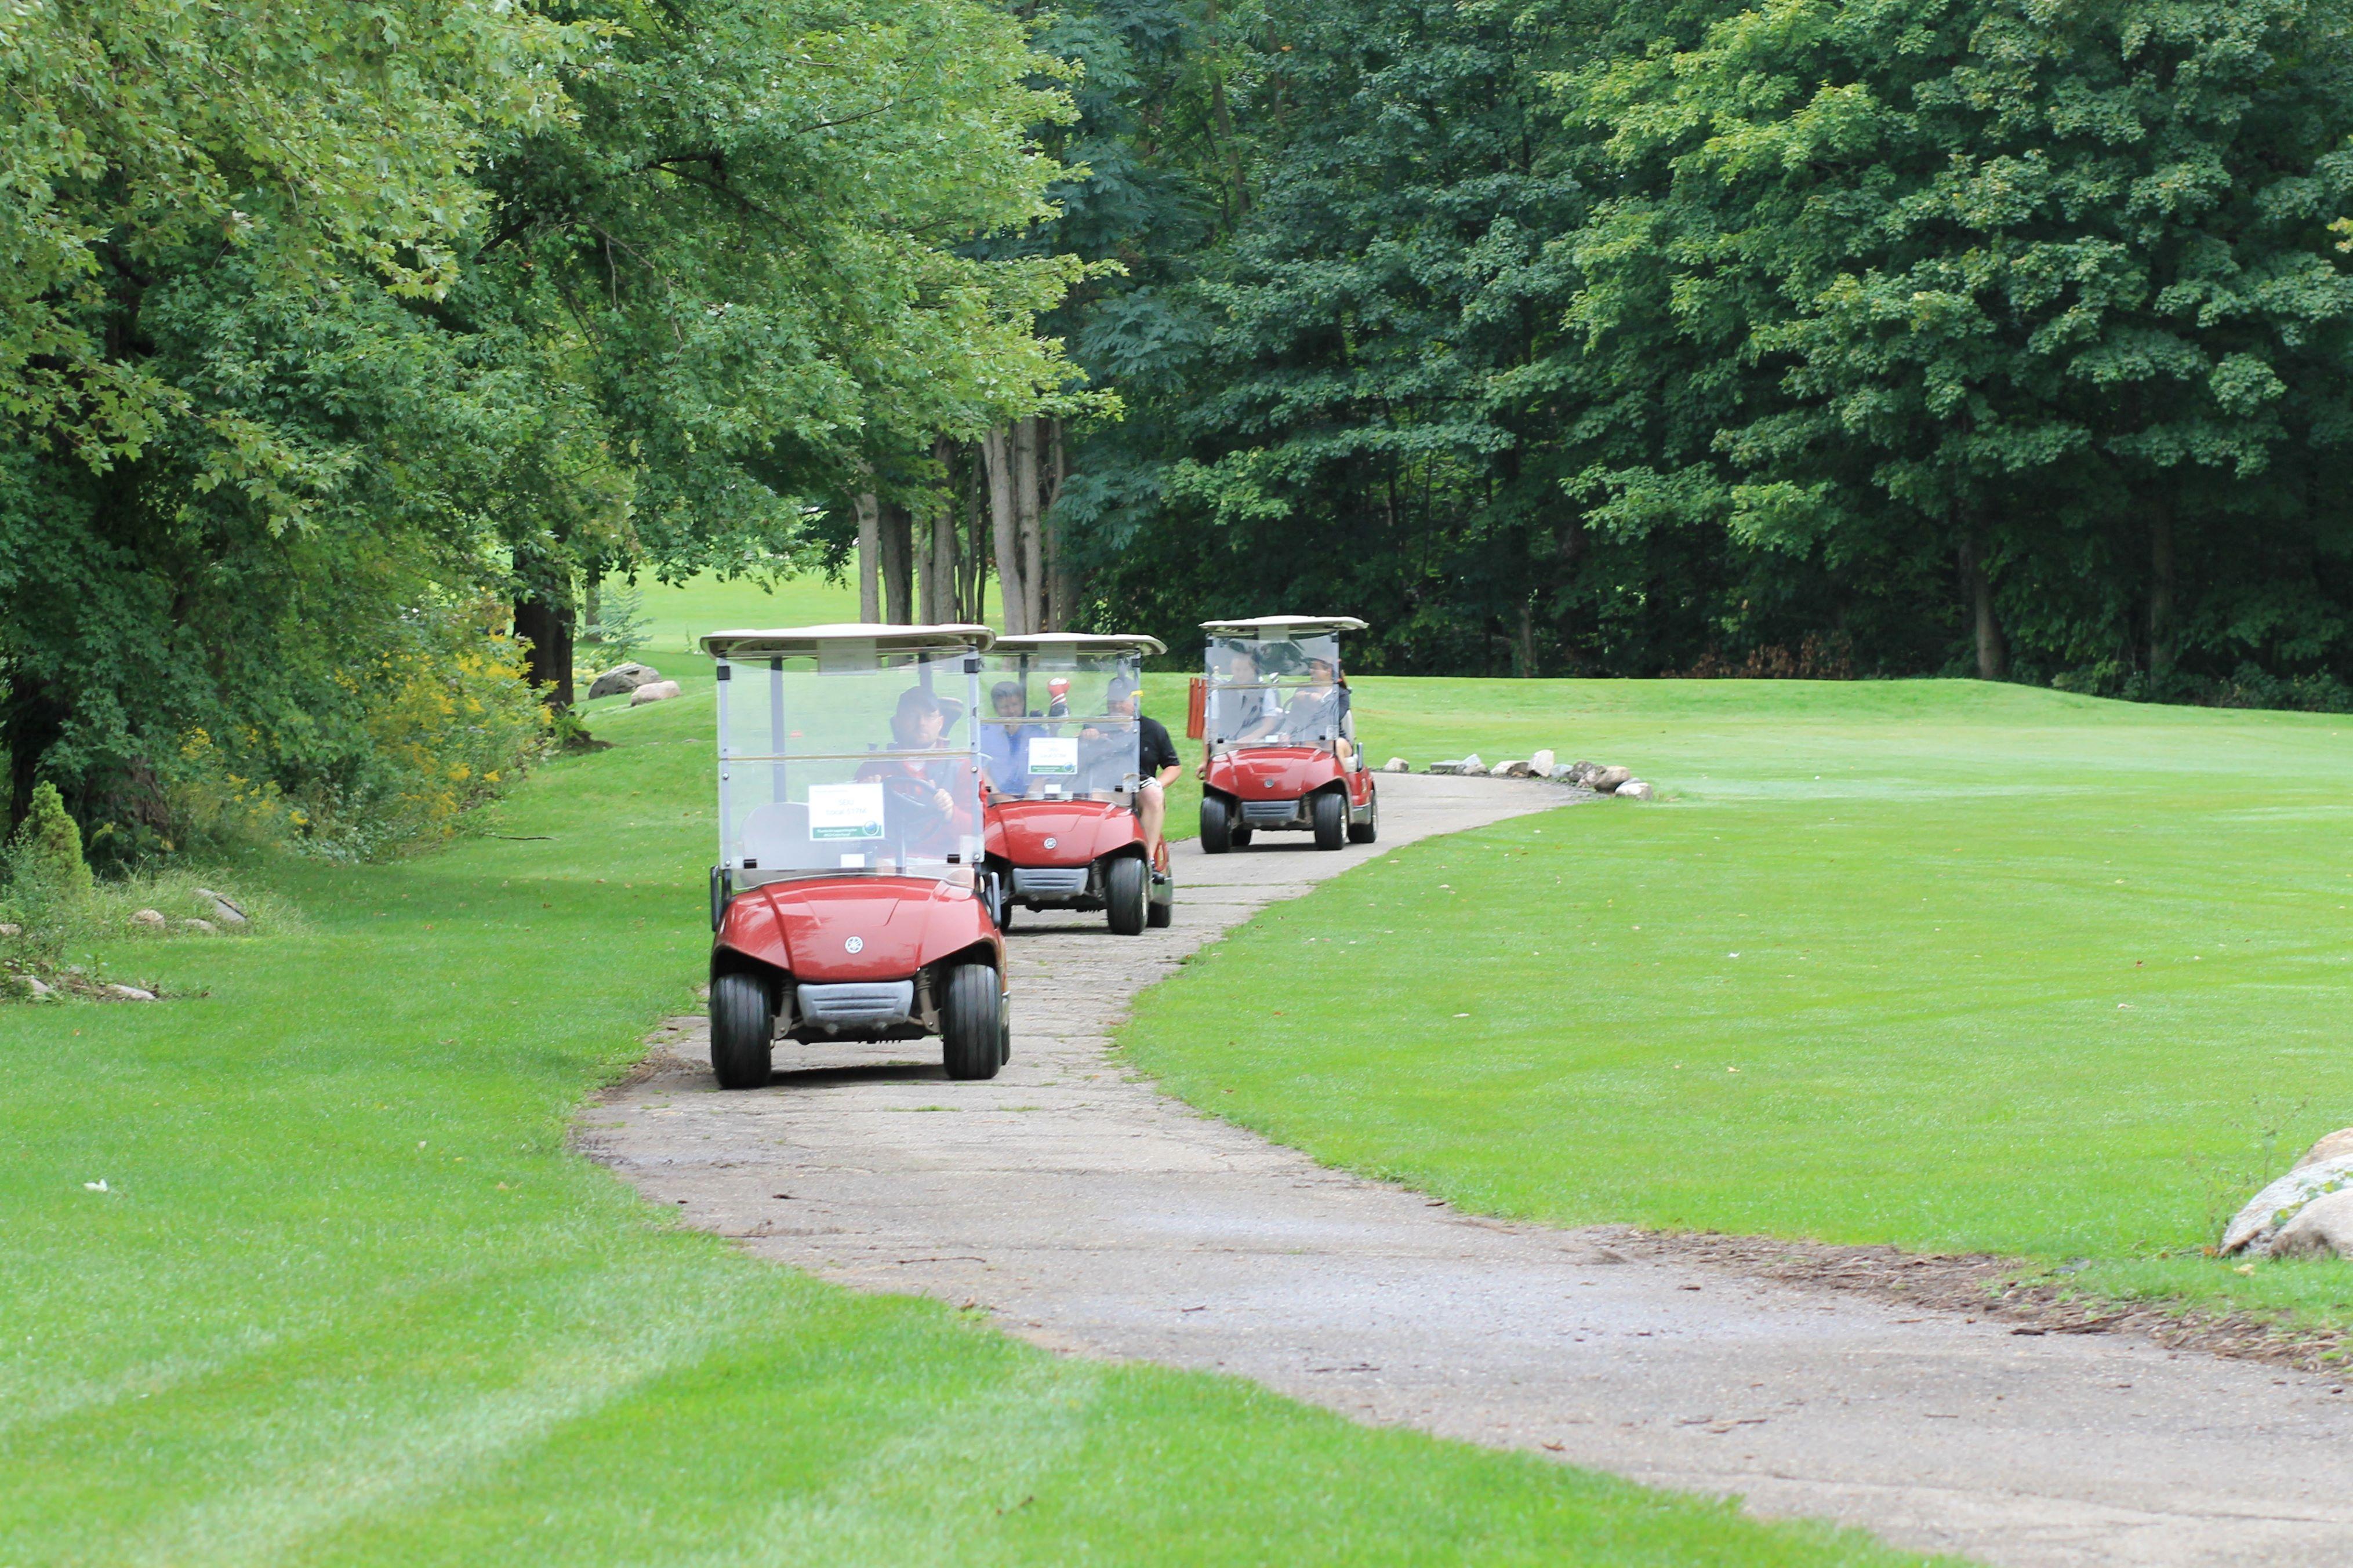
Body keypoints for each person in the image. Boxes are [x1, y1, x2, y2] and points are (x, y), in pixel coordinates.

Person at [859, 687, 972, 856]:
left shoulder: (963, 768)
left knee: (963, 878)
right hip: (888, 859)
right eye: (913, 715)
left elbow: (977, 828)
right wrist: (863, 801)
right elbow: (852, 828)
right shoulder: (875, 768)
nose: (921, 723)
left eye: (929, 716)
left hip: (943, 861)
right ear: (897, 722)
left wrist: (950, 812)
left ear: (940, 723)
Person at [1097, 675, 1181, 860]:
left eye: (1121, 701)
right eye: (1112, 702)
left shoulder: (1153, 729)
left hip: (1138, 788)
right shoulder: (1096, 726)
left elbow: (1173, 767)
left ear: (1134, 700)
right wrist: (1089, 740)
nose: (1116, 706)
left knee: (1154, 795)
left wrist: (1158, 783)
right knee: (1090, 799)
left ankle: (1147, 859)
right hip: (1105, 787)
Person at [1210, 646, 1282, 747]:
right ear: (1232, 669)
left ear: (1254, 669)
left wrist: (1250, 739)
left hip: (1256, 742)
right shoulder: (1219, 692)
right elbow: (1213, 726)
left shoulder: (1266, 691)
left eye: (1245, 670)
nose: (1241, 674)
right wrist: (1206, 760)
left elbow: (1269, 724)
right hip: (1227, 743)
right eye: (1237, 670)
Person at [977, 681, 1039, 797]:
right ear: (996, 709)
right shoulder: (984, 734)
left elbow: (1042, 776)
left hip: (1033, 800)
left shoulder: (1038, 734)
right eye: (1005, 707)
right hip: (994, 801)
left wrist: (1026, 803)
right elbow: (983, 774)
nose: (1011, 711)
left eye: (1015, 705)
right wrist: (999, 798)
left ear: (1022, 704)